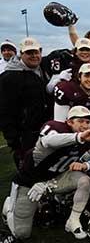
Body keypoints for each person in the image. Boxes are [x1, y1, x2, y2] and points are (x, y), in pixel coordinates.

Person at [4, 106, 90, 239]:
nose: (85, 125)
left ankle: (73, 221)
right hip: (29, 181)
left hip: (56, 179)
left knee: (85, 180)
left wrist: (86, 165)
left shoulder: (86, 138)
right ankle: (9, 206)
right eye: (81, 121)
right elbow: (48, 141)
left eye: (88, 122)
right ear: (69, 122)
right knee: (21, 233)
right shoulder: (56, 128)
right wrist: (78, 137)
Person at [0, 38, 52, 167]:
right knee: (27, 172)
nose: (34, 56)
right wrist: (13, 139)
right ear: (21, 54)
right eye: (29, 53)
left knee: (45, 168)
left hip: (44, 129)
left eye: (36, 52)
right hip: (24, 135)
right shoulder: (9, 77)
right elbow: (4, 110)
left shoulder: (43, 70)